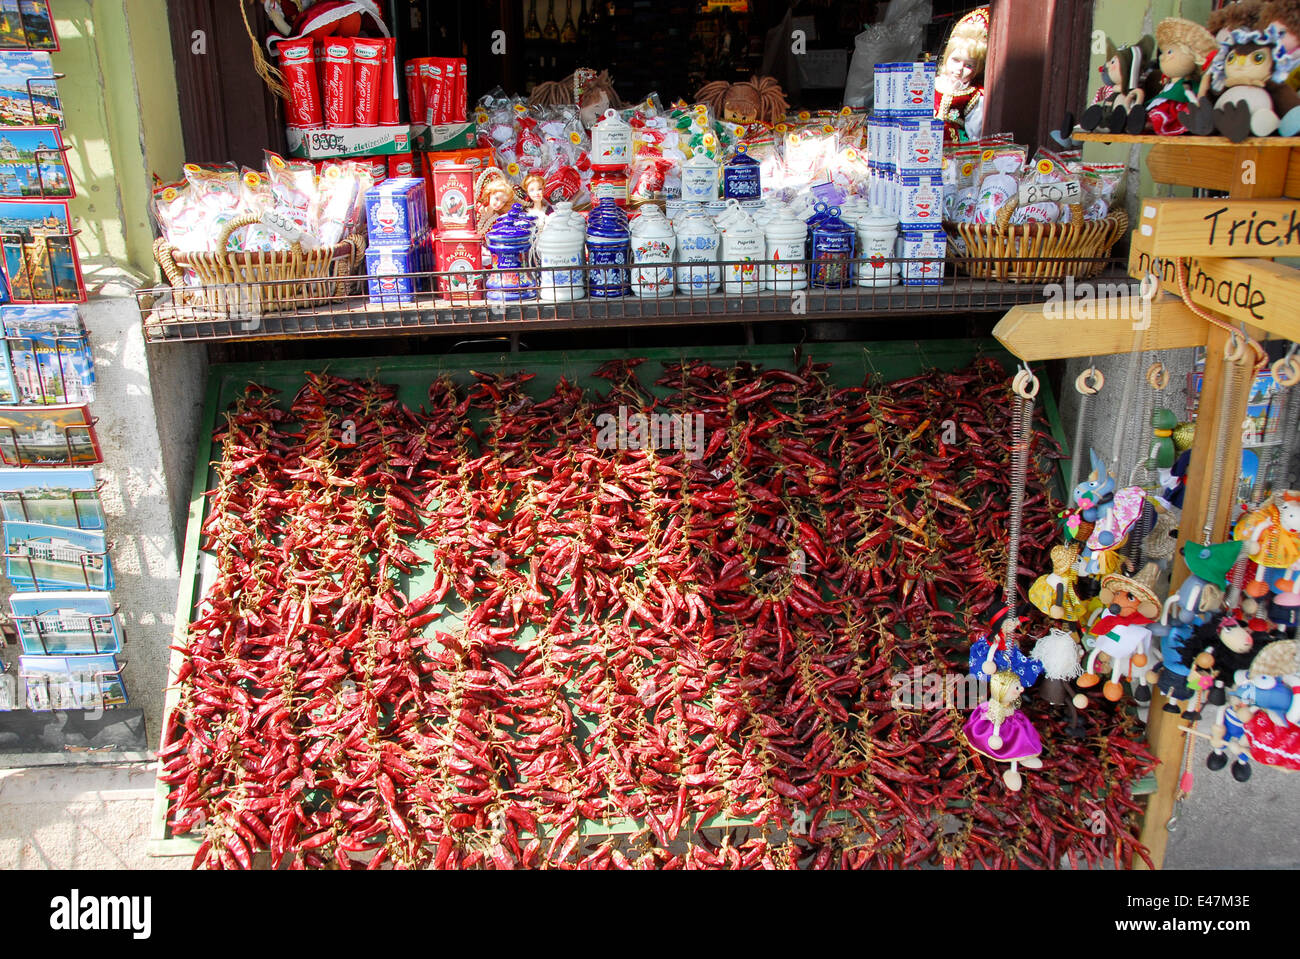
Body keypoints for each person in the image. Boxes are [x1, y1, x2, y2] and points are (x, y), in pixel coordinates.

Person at [963, 669, 1043, 791]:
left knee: (1021, 738)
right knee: (1012, 744)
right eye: (1017, 688)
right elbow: (996, 722)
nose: (1021, 689)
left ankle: (1025, 757)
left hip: (1013, 723)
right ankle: (1013, 770)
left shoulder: (1010, 705)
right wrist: (995, 735)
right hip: (1001, 731)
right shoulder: (994, 708)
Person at [934, 6, 989, 144]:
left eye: (968, 65)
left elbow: (974, 132)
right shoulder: (931, 84)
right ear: (946, 58)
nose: (959, 69)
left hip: (954, 147)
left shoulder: (974, 95)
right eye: (955, 60)